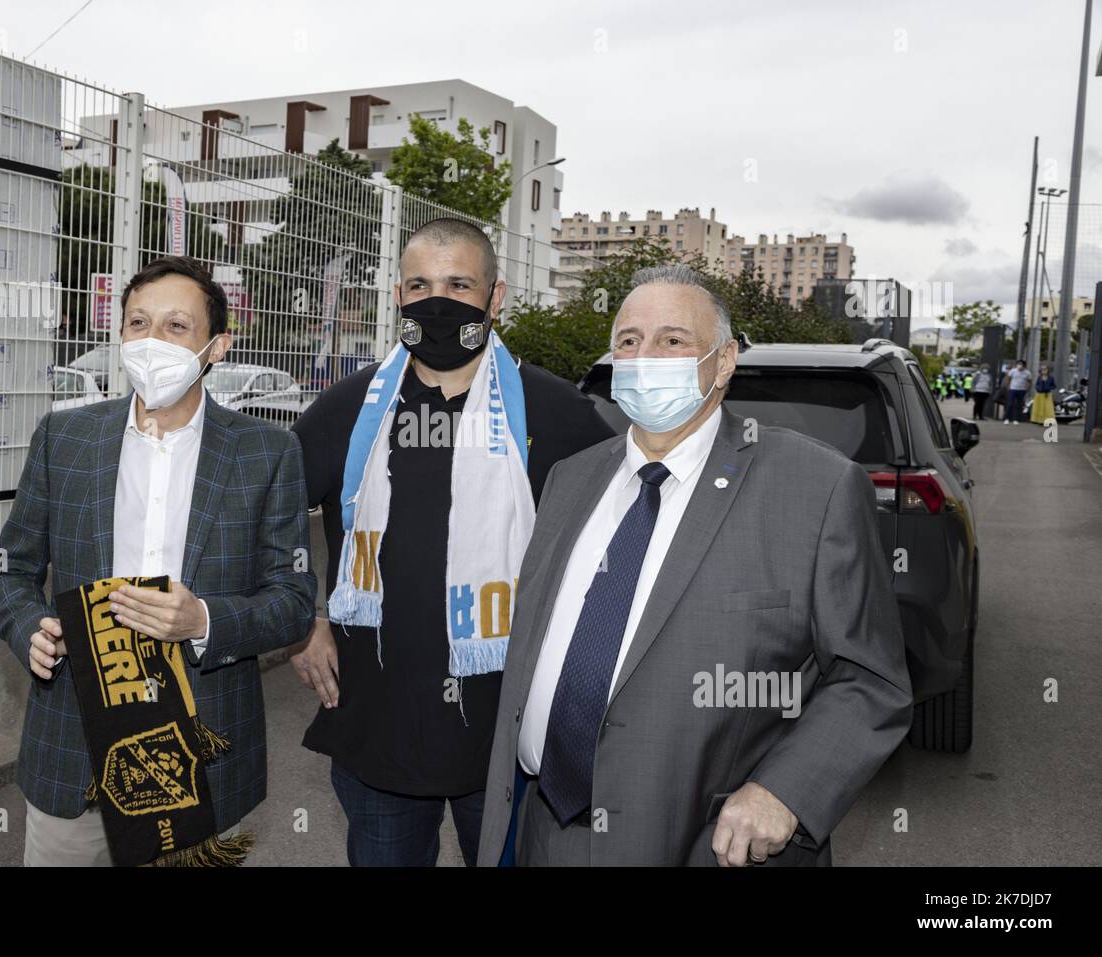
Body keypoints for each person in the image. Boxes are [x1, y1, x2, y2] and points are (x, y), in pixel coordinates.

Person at [476, 263, 912, 867]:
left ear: (725, 360)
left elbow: (871, 680)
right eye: (629, 341)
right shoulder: (570, 480)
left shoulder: (815, 487)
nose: (644, 356)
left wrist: (785, 790)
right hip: (545, 831)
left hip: (701, 846)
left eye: (672, 340)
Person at [289, 217, 614, 867]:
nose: (436, 302)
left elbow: (616, 554)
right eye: (420, 284)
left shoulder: (561, 416)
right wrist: (303, 619)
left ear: (496, 298)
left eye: (459, 284)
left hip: (511, 739)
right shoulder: (348, 410)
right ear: (398, 297)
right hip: (379, 732)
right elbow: (261, 518)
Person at [0, 255, 317, 865]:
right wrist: (29, 627)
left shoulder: (267, 452)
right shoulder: (66, 439)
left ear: (216, 346)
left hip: (203, 749)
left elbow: (292, 605)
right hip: (74, 738)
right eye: (137, 323)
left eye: (175, 326)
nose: (151, 341)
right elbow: (9, 570)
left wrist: (204, 623)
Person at [1005, 359, 1033, 425]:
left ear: (1024, 366)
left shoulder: (1027, 373)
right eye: (1018, 364)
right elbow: (1008, 378)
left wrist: (1027, 389)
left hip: (1022, 390)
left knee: (1019, 405)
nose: (1019, 366)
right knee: (1010, 404)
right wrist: (1008, 387)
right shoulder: (1013, 371)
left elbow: (1030, 382)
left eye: (1021, 364)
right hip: (1013, 389)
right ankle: (1007, 418)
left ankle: (1016, 419)